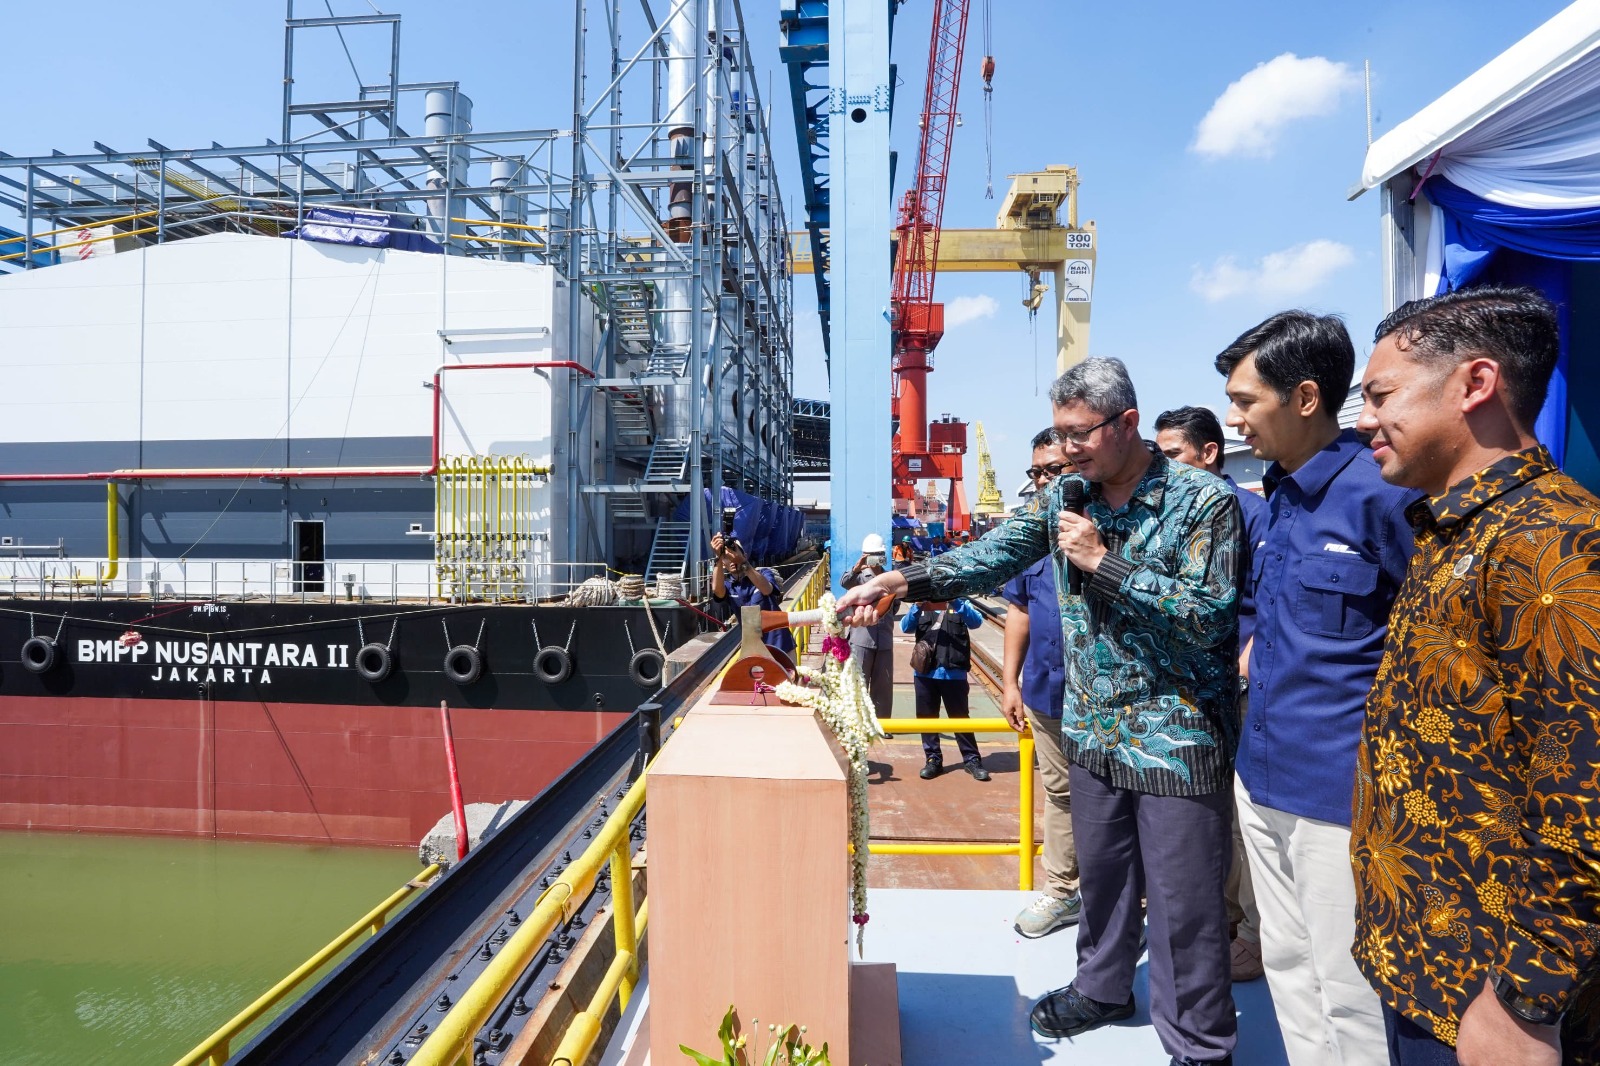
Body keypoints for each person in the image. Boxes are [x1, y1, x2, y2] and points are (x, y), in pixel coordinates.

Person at [840, 357, 1242, 1066]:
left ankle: (1201, 1047)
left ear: (1125, 423)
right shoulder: (1068, 497)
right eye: (1058, 436)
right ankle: (1103, 987)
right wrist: (902, 579)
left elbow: (1209, 616)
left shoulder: (1201, 499)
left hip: (1176, 740)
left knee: (1184, 909)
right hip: (1093, 732)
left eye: (1076, 434)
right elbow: (994, 553)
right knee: (1105, 879)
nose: (1063, 451)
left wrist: (1101, 563)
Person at [1352, 286, 1600, 1066]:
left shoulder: (1554, 544)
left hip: (1493, 1002)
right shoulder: (1453, 529)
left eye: (1381, 395)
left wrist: (1526, 999)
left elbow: (1585, 797)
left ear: (1475, 383)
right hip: (1429, 963)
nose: (1364, 421)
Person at [1215, 311, 1415, 1066]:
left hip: (1341, 794)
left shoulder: (1383, 494)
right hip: (1261, 777)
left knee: (1352, 988)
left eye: (1245, 401)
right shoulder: (1280, 498)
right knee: (1290, 971)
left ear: (1305, 397)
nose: (1235, 419)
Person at [1154, 405, 1269, 982]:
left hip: (1237, 688)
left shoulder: (1248, 513)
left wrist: (1244, 666)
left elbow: (1267, 603)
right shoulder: (1166, 514)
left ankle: (1251, 933)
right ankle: (1216, 917)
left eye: (1173, 455)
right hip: (1183, 692)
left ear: (1208, 453)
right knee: (1206, 814)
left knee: (1247, 819)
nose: (1164, 467)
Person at [1003, 428, 1084, 938]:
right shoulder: (1030, 537)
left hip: (1114, 699)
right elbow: (1018, 610)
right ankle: (1062, 890)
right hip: (1048, 690)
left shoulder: (1118, 526)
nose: (1043, 481)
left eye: (1053, 470)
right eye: (1037, 472)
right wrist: (1010, 682)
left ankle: (1129, 896)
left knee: (1125, 796)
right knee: (1059, 794)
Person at [901, 596, 988, 780]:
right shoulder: (922, 604)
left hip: (954, 672)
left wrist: (956, 601)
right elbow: (905, 627)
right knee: (927, 718)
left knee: (960, 718)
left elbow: (976, 622)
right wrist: (917, 606)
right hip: (925, 674)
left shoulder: (961, 602)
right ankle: (933, 759)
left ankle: (972, 759)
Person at [708, 531, 793, 655]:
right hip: (754, 649)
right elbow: (717, 590)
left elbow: (766, 589)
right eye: (727, 557)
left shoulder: (763, 573)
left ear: (745, 555)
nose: (732, 559)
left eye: (734, 554)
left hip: (780, 645)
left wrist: (742, 562)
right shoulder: (729, 586)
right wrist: (718, 557)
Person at [842, 532, 897, 718]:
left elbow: (895, 606)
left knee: (883, 684)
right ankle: (856, 720)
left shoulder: (891, 578)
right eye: (871, 554)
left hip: (885, 638)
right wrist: (857, 568)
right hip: (861, 638)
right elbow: (845, 583)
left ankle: (882, 724)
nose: (876, 559)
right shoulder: (859, 576)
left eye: (879, 554)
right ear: (865, 554)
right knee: (858, 682)